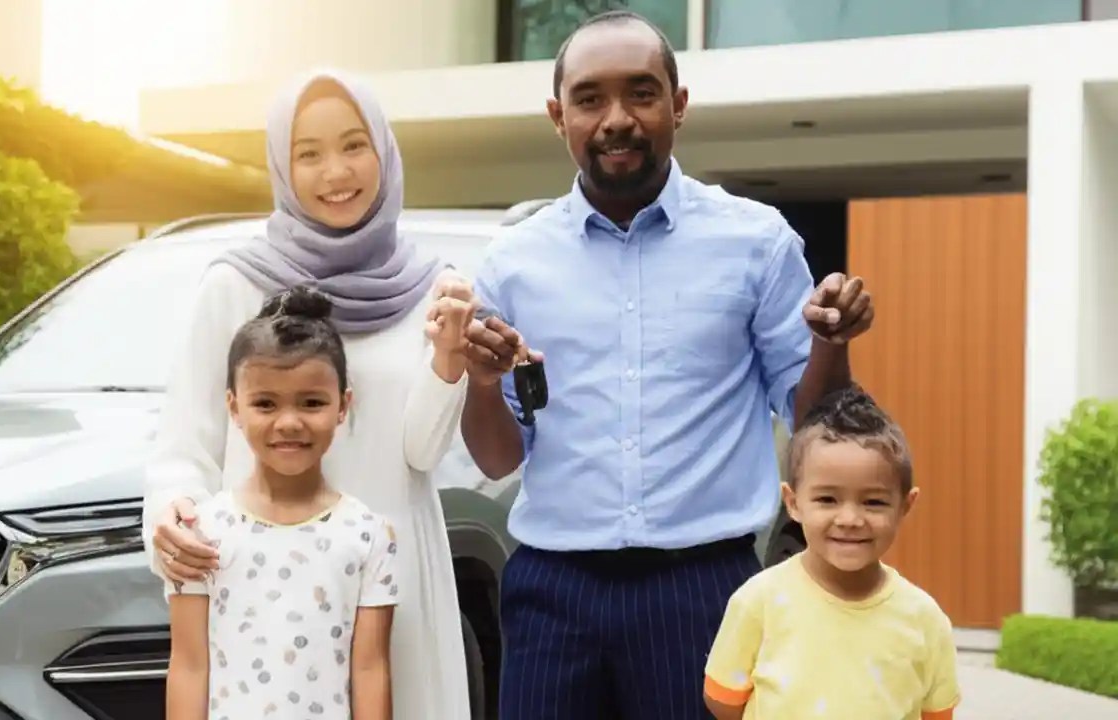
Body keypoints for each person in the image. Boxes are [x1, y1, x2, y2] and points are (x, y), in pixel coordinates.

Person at [459, 10, 877, 720]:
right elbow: (498, 458)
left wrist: (832, 341)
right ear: (558, 117)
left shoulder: (756, 242)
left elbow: (817, 426)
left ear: (677, 107)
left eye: (641, 93)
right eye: (590, 98)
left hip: (705, 593)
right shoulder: (512, 262)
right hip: (551, 596)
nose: (617, 118)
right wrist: (479, 380)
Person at [144, 68, 478, 719]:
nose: (336, 172)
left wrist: (447, 358)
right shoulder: (235, 285)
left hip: (389, 576)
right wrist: (170, 515)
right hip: (261, 590)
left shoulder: (435, 288)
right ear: (281, 165)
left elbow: (420, 453)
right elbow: (185, 444)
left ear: (383, 150)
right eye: (309, 154)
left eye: (354, 146)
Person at [166, 287, 400, 720]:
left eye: (312, 403)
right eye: (265, 404)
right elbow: (189, 665)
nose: (289, 423)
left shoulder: (369, 535)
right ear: (234, 408)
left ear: (343, 405)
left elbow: (370, 669)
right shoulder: (202, 532)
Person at [703, 386, 960, 720]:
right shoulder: (758, 602)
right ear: (793, 503)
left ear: (905, 505)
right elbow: (723, 701)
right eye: (827, 499)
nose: (850, 520)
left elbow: (937, 714)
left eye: (874, 502)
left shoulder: (925, 620)